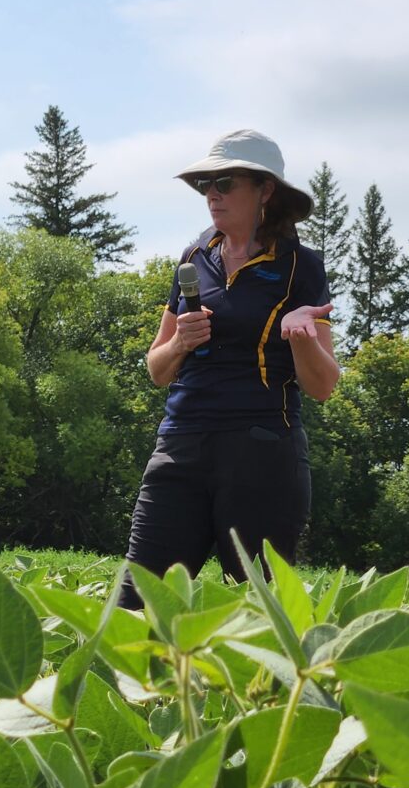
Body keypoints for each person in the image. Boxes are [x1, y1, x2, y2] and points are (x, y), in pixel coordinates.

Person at [119, 130, 340, 607]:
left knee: (256, 612)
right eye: (204, 185)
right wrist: (180, 341)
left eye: (224, 181)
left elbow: (323, 386)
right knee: (136, 605)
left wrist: (300, 337)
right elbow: (158, 370)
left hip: (260, 451)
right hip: (180, 444)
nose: (211, 194)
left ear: (265, 190)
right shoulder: (194, 258)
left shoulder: (302, 267)